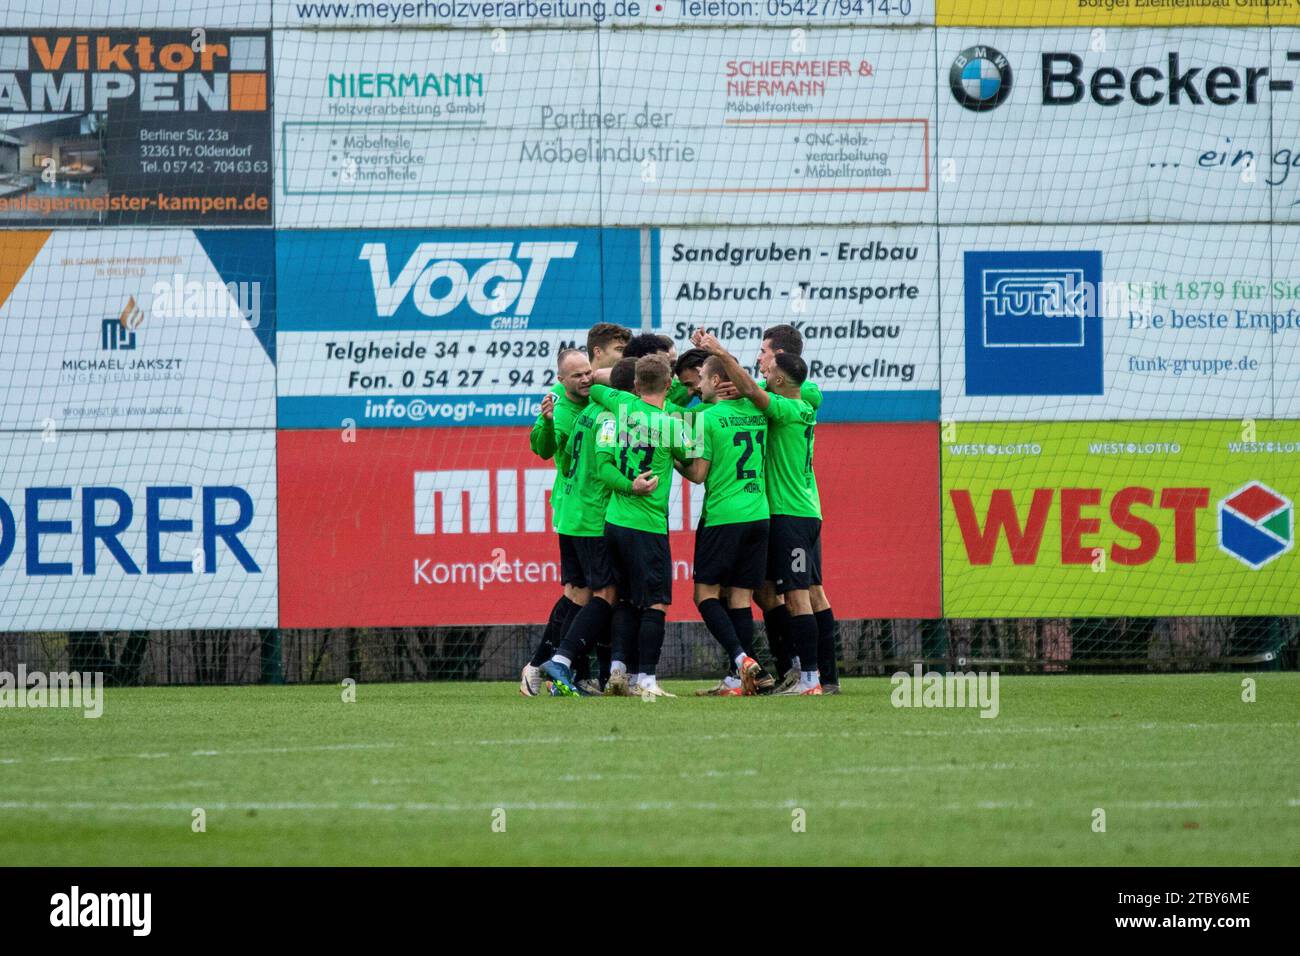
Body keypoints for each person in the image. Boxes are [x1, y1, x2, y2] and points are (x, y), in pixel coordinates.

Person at [542, 355, 697, 698]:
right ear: (669, 385)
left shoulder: (618, 407)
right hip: (648, 524)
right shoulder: (674, 424)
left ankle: (606, 670)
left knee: (618, 598)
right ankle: (646, 679)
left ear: (635, 385)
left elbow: (596, 385)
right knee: (654, 603)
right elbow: (696, 469)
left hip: (612, 522)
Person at [694, 330, 825, 695]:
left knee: (798, 597)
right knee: (763, 595)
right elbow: (752, 394)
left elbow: (754, 392)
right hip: (783, 514)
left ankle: (810, 678)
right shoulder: (781, 408)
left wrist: (719, 351)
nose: (762, 373)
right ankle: (778, 673)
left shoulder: (785, 408)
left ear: (780, 379)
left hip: (790, 516)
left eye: (768, 370)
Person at [520, 324, 630, 696]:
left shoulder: (595, 398)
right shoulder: (565, 406)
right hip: (584, 513)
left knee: (578, 595)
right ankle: (547, 665)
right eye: (577, 375)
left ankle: (563, 673)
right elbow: (543, 448)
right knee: (597, 596)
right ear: (562, 379)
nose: (585, 379)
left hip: (579, 512)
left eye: (587, 373)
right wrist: (549, 422)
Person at [675, 354, 776, 696]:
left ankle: (742, 659)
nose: (697, 384)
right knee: (741, 598)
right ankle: (738, 681)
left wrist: (674, 459)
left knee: (703, 594)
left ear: (717, 382)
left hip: (723, 516)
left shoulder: (708, 418)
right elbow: (760, 388)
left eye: (701, 377)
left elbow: (698, 474)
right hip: (759, 514)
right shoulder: (759, 411)